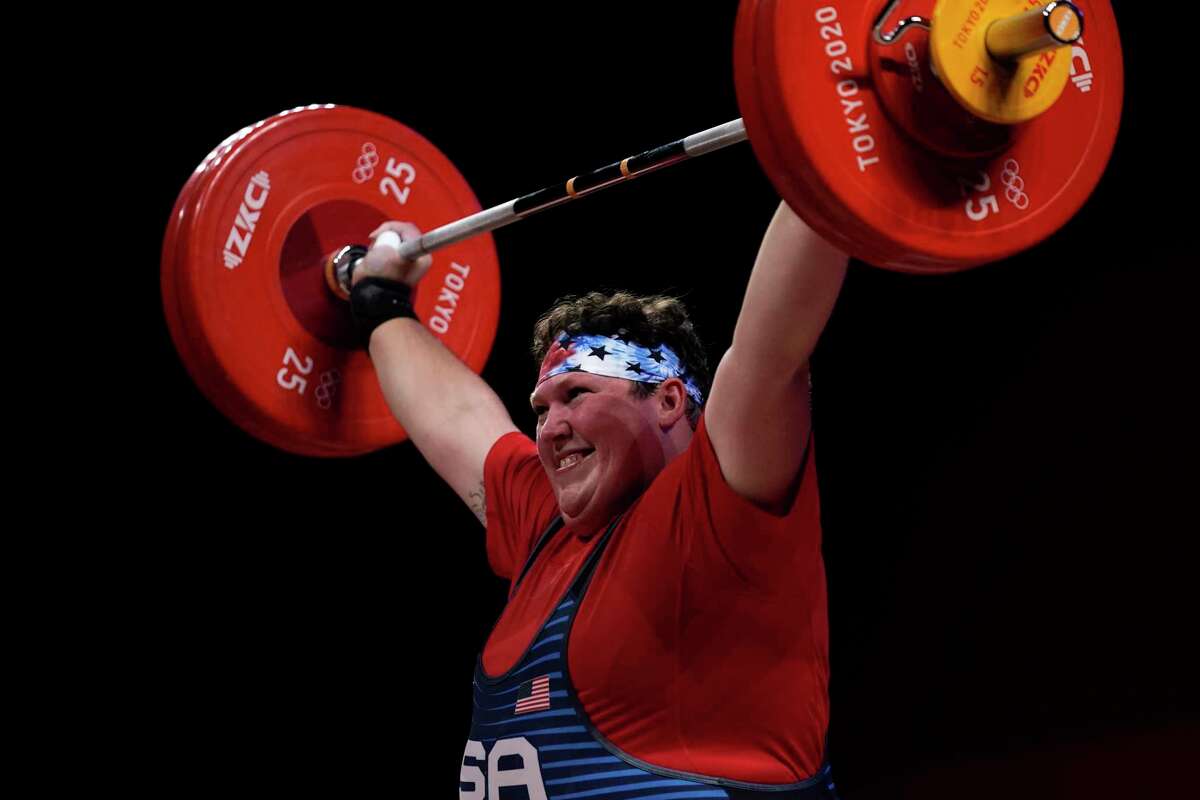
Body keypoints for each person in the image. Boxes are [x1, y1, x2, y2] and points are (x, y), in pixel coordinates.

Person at [349, 199, 848, 799]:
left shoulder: (716, 509)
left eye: (577, 394)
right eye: (541, 407)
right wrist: (380, 300)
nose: (550, 427)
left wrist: (831, 156)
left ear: (667, 402)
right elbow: (453, 413)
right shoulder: (546, 524)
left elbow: (772, 348)